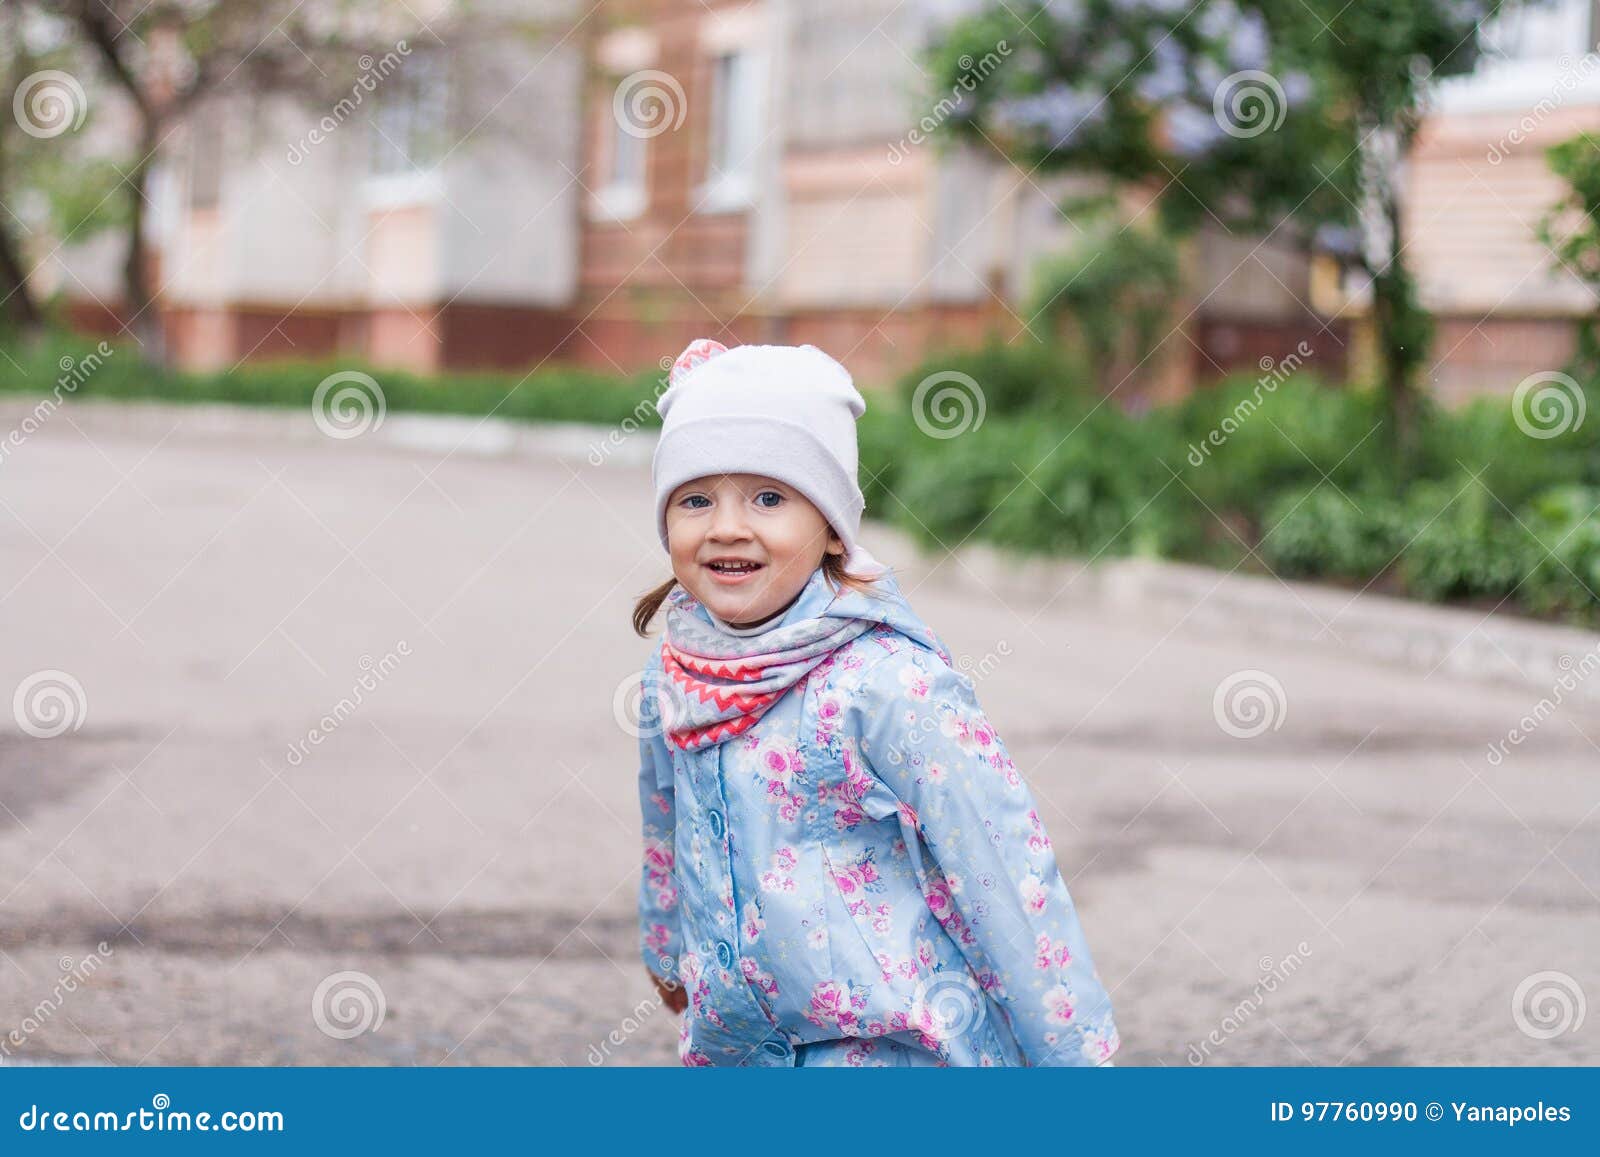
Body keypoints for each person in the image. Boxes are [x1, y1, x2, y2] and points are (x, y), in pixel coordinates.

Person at [631, 338, 1120, 1067]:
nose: (727, 526)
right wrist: (667, 943)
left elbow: (998, 862)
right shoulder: (677, 672)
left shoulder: (887, 682)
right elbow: (665, 814)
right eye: (695, 499)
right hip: (737, 1051)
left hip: (891, 1052)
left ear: (831, 526)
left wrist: (1073, 1056)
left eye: (769, 497)